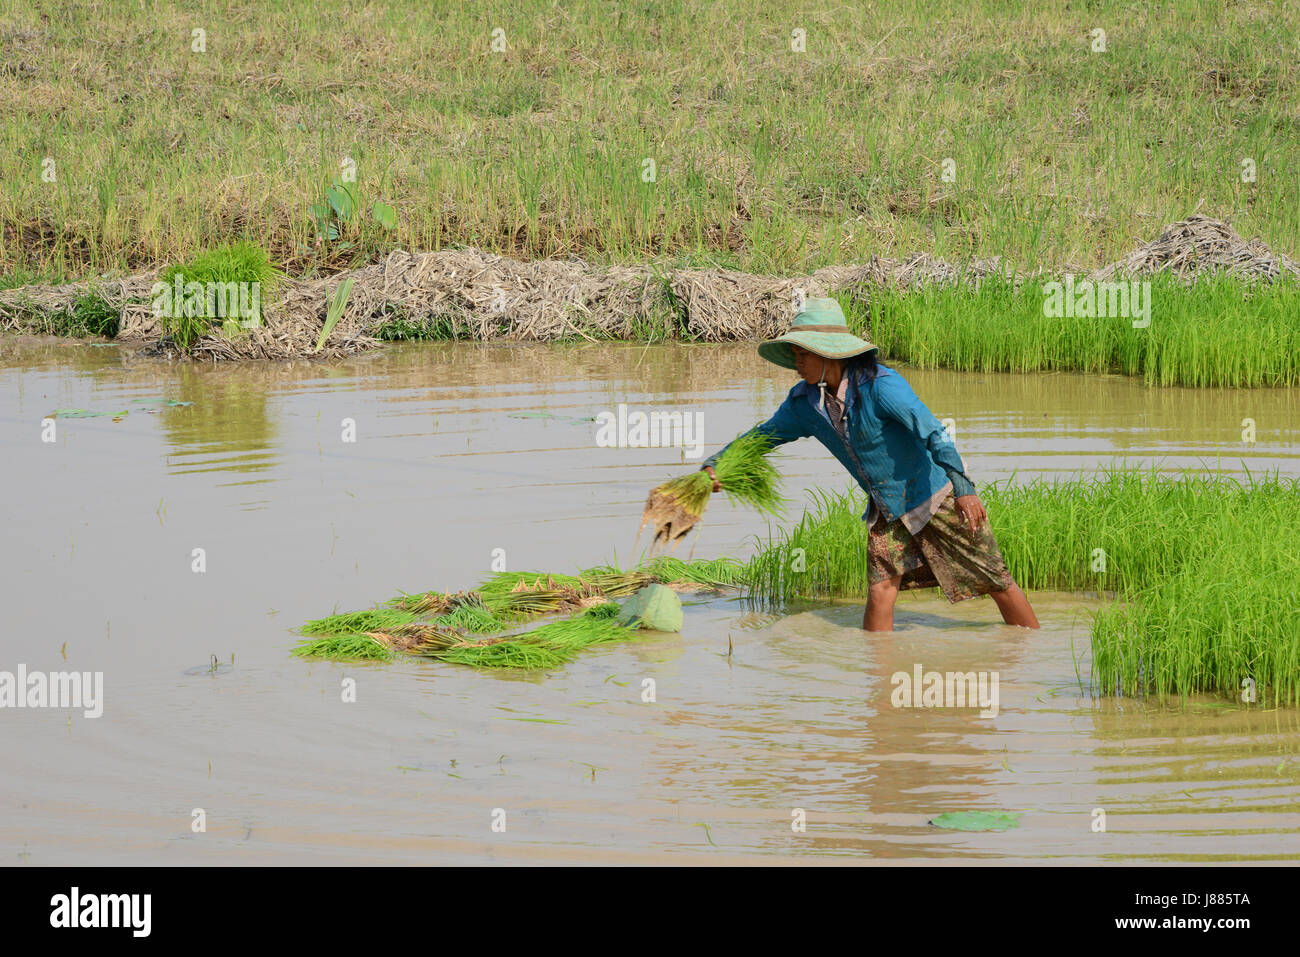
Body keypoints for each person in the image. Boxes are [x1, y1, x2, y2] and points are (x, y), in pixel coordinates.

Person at [700, 297, 1039, 632]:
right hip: (887, 507)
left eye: (802, 354)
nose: (796, 363)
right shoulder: (804, 403)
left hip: (936, 497)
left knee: (995, 580)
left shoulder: (880, 386)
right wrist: (720, 464)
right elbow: (764, 436)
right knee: (880, 592)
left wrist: (964, 489)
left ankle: (1027, 652)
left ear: (827, 353)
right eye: (795, 355)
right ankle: (879, 678)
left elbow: (934, 432)